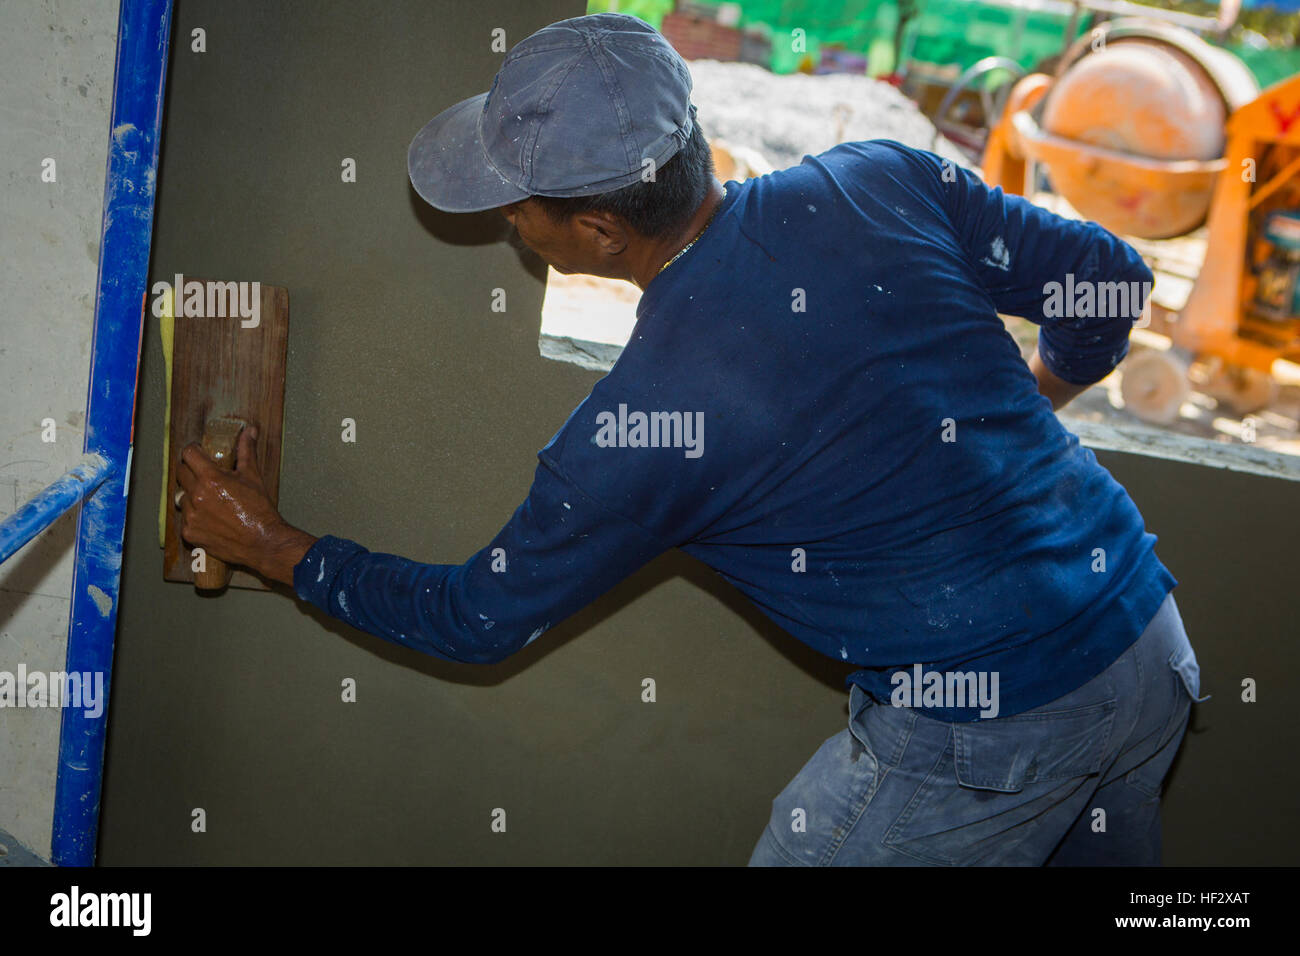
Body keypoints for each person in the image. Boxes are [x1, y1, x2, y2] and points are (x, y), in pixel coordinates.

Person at [174, 13, 1203, 866]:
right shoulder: (876, 178)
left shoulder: (641, 426)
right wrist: (1031, 399)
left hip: (995, 725)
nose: (507, 228)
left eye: (515, 209)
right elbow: (1108, 282)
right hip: (1146, 642)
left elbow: (475, 618)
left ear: (600, 233)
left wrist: (271, 543)